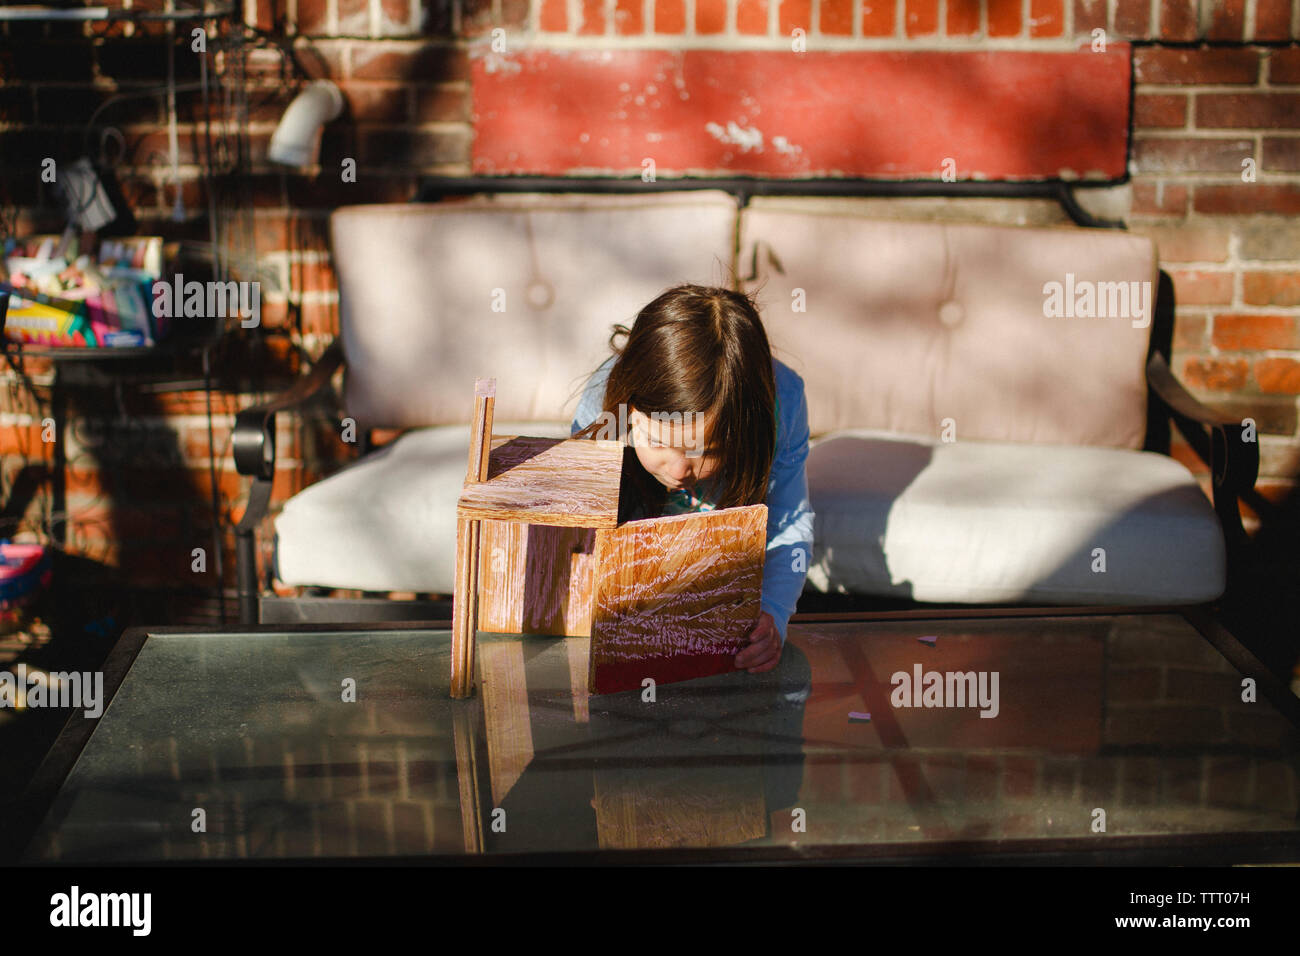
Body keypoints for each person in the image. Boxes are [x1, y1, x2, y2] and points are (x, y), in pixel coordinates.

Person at [569, 283, 815, 674]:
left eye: (708, 451)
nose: (680, 470)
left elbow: (789, 520)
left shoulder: (782, 400)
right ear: (627, 412)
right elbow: (577, 517)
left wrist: (773, 611)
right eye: (657, 441)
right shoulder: (605, 399)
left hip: (723, 596)